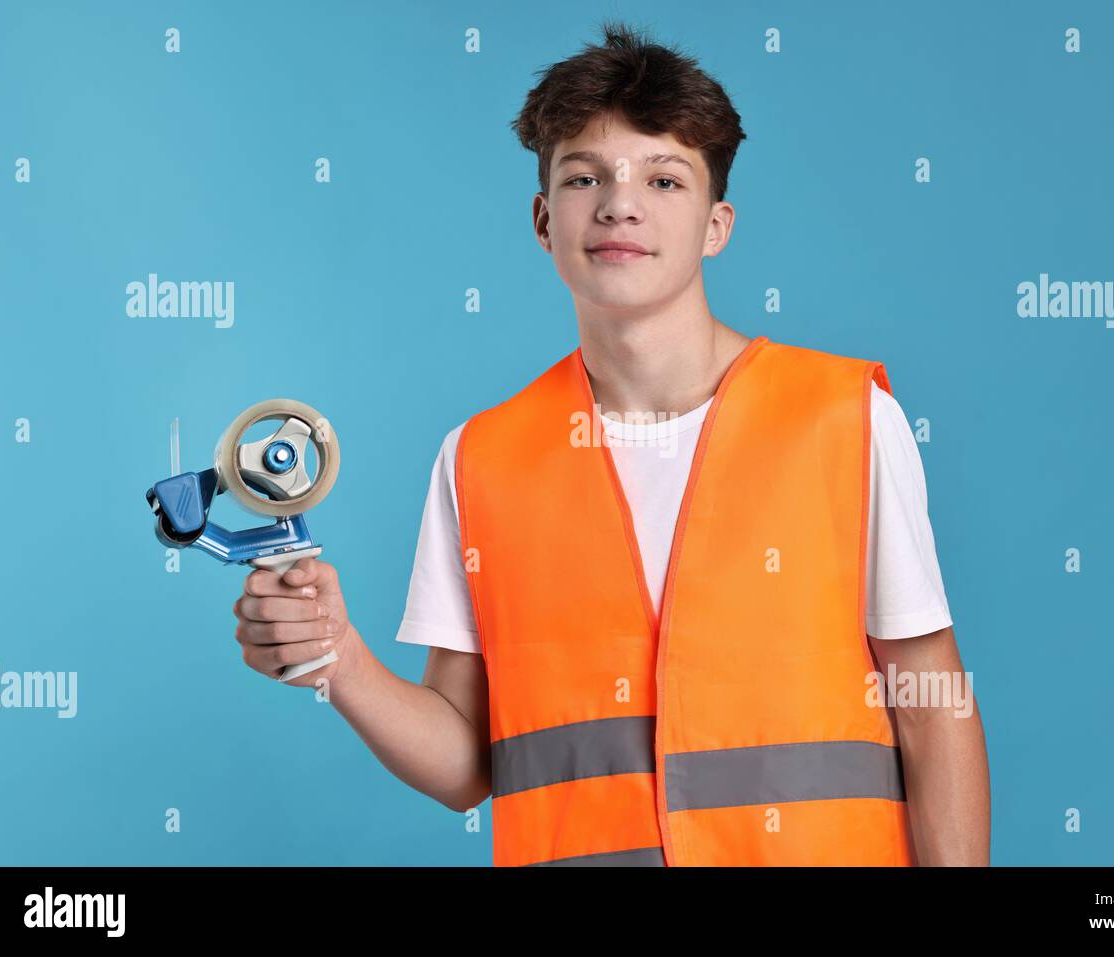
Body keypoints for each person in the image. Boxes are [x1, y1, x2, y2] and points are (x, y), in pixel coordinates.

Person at [231, 20, 989, 866]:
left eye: (665, 179)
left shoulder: (843, 417)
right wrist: (338, 657)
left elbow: (932, 707)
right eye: (585, 176)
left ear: (717, 225)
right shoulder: (483, 459)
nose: (620, 202)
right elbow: (463, 765)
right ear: (543, 219)